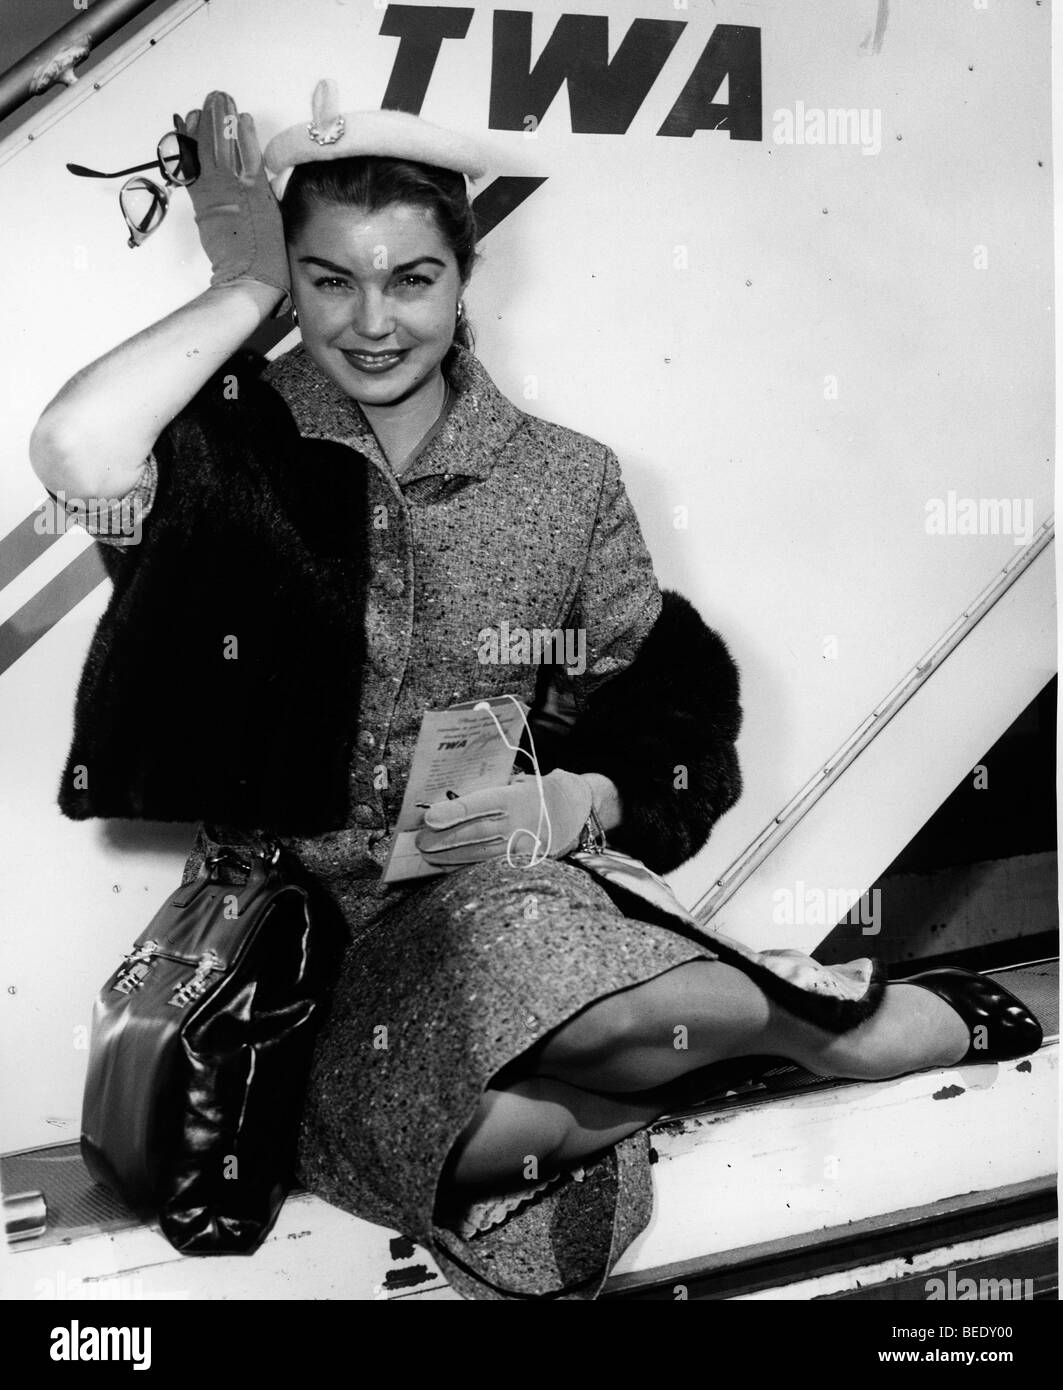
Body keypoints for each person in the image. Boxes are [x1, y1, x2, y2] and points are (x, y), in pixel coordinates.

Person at [30, 85, 1043, 1300]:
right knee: (475, 1142)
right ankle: (741, 1043)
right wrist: (236, 284)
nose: (371, 321)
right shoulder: (219, 452)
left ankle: (824, 1024)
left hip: (480, 902)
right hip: (284, 958)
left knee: (580, 1005)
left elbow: (670, 706)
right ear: (289, 282)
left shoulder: (562, 477)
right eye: (326, 279)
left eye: (412, 278)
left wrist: (585, 799)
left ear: (466, 277)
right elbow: (76, 450)